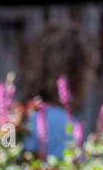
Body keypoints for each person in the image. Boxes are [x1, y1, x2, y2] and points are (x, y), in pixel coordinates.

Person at [21, 23, 95, 158]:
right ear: (77, 72)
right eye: (90, 69)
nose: (92, 78)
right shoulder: (67, 126)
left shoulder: (12, 119)